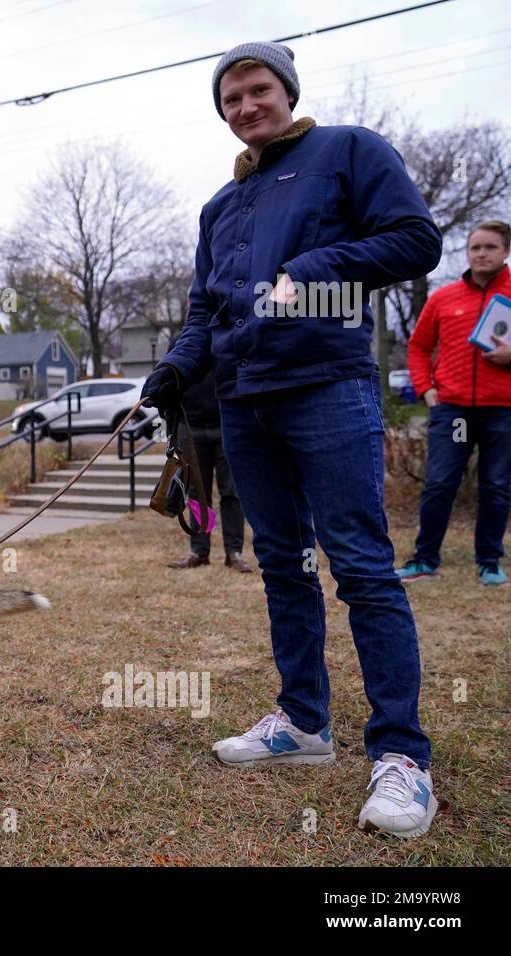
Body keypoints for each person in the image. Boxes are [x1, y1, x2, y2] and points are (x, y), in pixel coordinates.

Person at [140, 42, 443, 838]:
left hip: (327, 385)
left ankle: (402, 756)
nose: (245, 107)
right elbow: (206, 310)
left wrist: (317, 265)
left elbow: (416, 241)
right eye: (230, 99)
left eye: (257, 90)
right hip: (244, 399)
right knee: (282, 564)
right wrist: (174, 369)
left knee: (363, 565)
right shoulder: (220, 205)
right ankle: (304, 723)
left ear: (287, 91)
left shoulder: (347, 151)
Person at [396, 219, 511, 587]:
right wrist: (425, 389)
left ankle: (489, 561)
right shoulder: (443, 298)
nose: (481, 253)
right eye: (475, 247)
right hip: (452, 410)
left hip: (503, 409)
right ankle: (425, 559)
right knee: (440, 483)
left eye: (489, 247)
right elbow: (417, 347)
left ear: (505, 252)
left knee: (495, 486)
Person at [165, 369, 252, 572]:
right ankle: (199, 551)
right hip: (191, 427)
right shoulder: (182, 341)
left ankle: (233, 553)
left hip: (226, 424)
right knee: (197, 495)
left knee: (230, 492)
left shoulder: (225, 337)